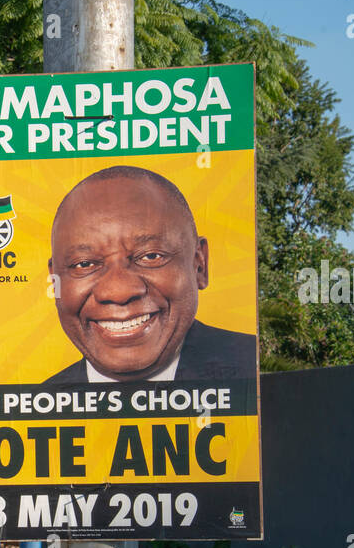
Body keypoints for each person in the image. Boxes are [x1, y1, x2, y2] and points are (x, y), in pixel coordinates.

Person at [43, 165, 257, 385]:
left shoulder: (255, 375)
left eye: (151, 256)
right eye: (84, 264)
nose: (119, 292)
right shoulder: (32, 411)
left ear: (199, 264)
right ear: (55, 282)